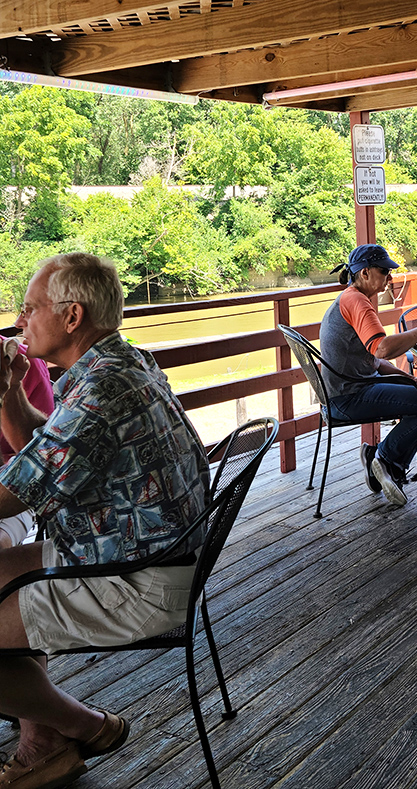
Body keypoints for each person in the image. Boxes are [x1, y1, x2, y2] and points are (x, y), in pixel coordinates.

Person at [0, 253, 209, 789]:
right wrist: (8, 392)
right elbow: (50, 456)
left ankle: (86, 726)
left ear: (71, 317)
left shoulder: (101, 389)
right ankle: (43, 743)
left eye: (29, 309)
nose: (21, 321)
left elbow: (15, 490)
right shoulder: (119, 362)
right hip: (128, 553)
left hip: (135, 584)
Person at [320, 244, 417, 507]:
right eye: (384, 271)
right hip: (348, 397)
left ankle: (379, 459)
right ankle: (385, 461)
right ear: (366, 273)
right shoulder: (357, 301)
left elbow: (375, 360)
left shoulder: (350, 297)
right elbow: (382, 347)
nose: (390, 278)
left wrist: (409, 379)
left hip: (347, 389)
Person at [0, 337, 54, 550]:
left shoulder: (23, 360)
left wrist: (8, 391)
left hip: (17, 480)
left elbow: (43, 460)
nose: (19, 322)